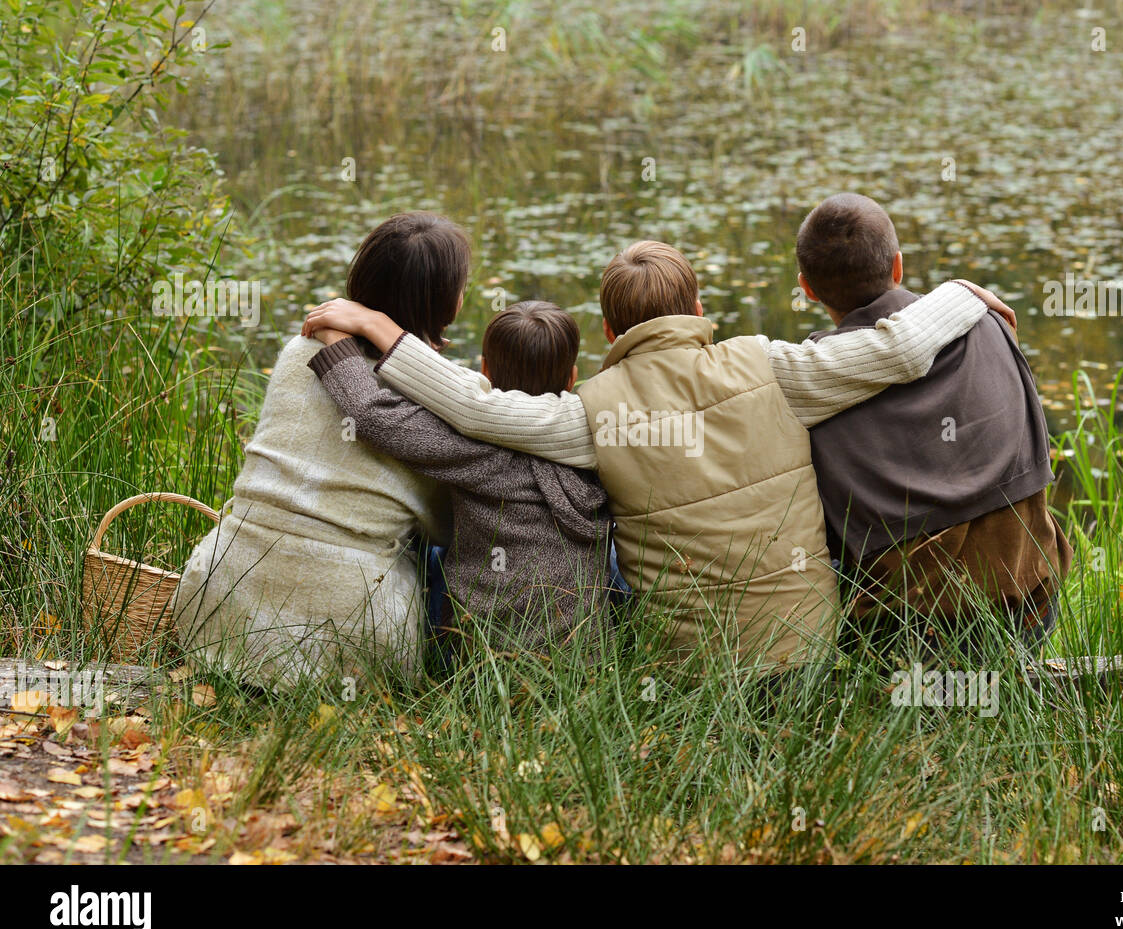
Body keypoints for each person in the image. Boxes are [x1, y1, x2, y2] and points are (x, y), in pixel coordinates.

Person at [301, 242, 1005, 672]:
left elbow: (477, 408)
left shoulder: (594, 413)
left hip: (690, 672)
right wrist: (956, 296)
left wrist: (380, 329)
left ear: (608, 330)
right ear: (698, 306)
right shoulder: (771, 366)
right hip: (806, 655)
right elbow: (899, 351)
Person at [172, 212, 466, 689]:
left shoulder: (300, 350)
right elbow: (446, 526)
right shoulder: (440, 396)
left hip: (218, 604)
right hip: (353, 634)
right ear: (449, 303)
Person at [795, 193, 1072, 651]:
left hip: (903, 639)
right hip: (1029, 610)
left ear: (807, 288)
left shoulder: (811, 385)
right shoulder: (991, 323)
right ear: (898, 267)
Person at [306, 300, 611, 655]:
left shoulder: (473, 447)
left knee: (428, 546)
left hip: (479, 655)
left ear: (485, 371)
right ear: (572, 377)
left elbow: (374, 417)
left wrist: (337, 343)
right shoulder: (597, 440)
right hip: (582, 658)